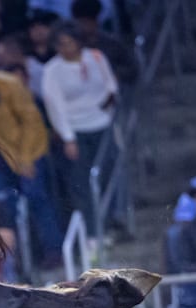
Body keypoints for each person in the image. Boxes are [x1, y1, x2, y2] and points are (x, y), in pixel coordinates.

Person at [41, 23, 118, 232]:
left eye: (69, 43)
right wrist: (68, 138)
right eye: (61, 44)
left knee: (109, 174)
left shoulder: (96, 57)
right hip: (76, 130)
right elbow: (55, 106)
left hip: (102, 124)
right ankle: (93, 230)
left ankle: (114, 221)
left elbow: (110, 85)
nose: (66, 48)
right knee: (82, 183)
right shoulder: (52, 70)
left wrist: (106, 108)